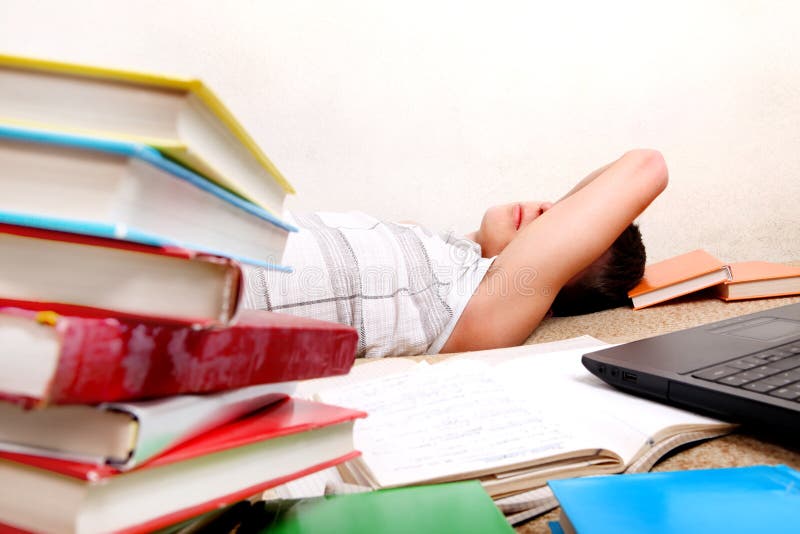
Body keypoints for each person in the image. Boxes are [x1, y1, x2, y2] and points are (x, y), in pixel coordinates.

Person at [242, 149, 668, 358]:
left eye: (557, 228)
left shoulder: (480, 304)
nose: (547, 211)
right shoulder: (430, 245)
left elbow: (647, 166)